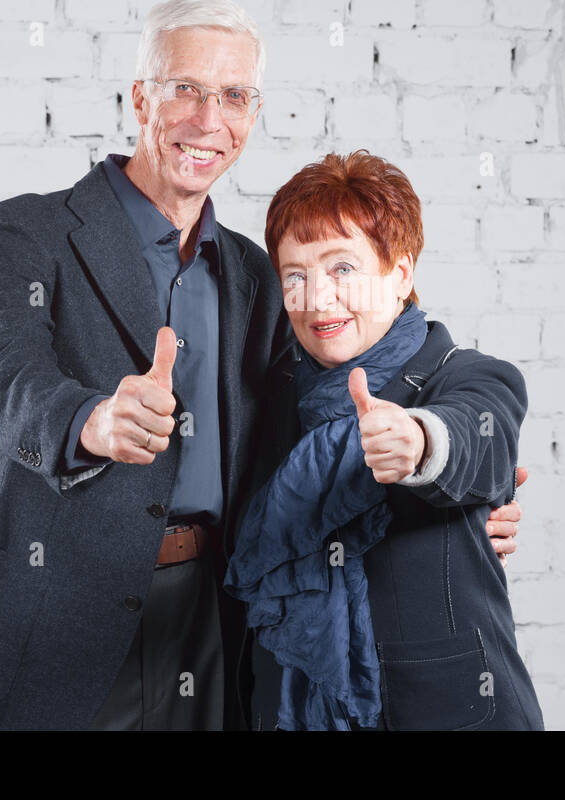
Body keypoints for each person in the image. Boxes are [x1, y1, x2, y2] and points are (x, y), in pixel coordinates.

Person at [0, 0, 525, 731]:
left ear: (252, 116)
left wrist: (445, 507)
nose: (207, 118)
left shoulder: (261, 278)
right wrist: (89, 424)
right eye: (185, 89)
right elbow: (2, 375)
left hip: (216, 621)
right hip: (62, 613)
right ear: (140, 98)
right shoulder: (27, 230)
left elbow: (315, 423)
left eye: (233, 95)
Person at [227, 151, 544, 730]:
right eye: (295, 275)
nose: (317, 297)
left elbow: (480, 436)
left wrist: (419, 442)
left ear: (401, 274)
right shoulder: (267, 398)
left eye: (342, 268)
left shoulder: (467, 373)